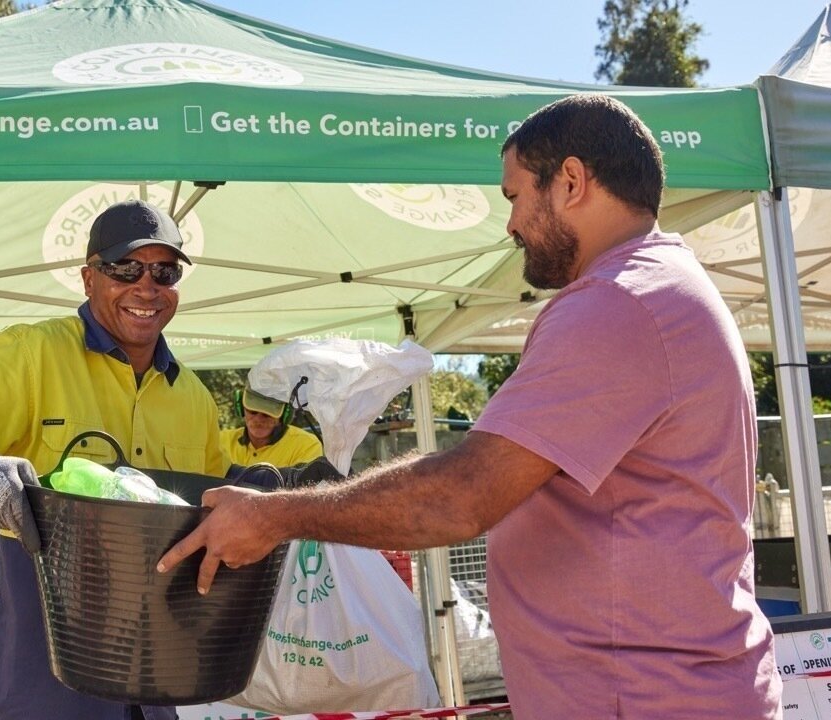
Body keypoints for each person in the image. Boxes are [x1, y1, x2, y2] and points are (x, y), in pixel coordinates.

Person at [159, 94, 782, 719]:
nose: (509, 225)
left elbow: (461, 494)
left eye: (513, 196)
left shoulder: (619, 303)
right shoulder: (658, 289)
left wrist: (275, 516)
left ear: (569, 182)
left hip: (646, 698)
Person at [0, 199, 258, 720]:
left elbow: (215, 499)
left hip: (145, 694)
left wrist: (275, 488)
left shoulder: (193, 396)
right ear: (88, 278)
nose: (147, 287)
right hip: (18, 689)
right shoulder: (32, 354)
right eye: (125, 268)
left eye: (164, 271)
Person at [219, 386, 323, 467]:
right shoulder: (220, 441)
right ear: (241, 408)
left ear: (285, 414)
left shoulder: (306, 445)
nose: (259, 420)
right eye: (253, 412)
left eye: (267, 414)